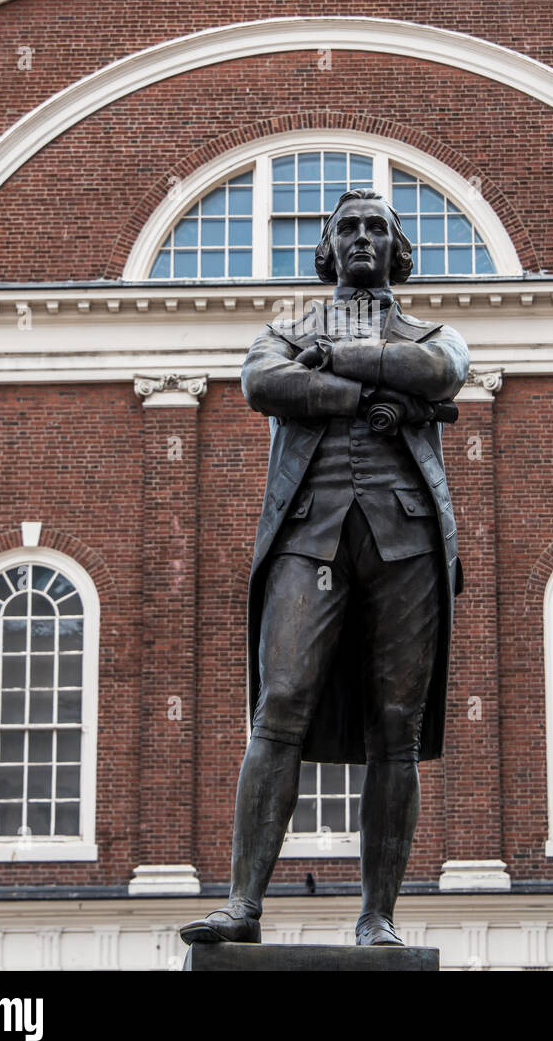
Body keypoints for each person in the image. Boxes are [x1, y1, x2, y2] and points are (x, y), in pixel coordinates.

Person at [180, 189, 469, 947]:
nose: (364, 237)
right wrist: (369, 392)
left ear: (398, 249)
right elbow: (262, 384)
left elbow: (438, 372)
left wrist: (339, 362)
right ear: (327, 248)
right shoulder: (284, 330)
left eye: (378, 227)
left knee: (395, 727)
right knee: (278, 707)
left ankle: (377, 917)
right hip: (309, 538)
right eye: (348, 227)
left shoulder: (430, 331)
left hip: (404, 542)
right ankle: (242, 906)